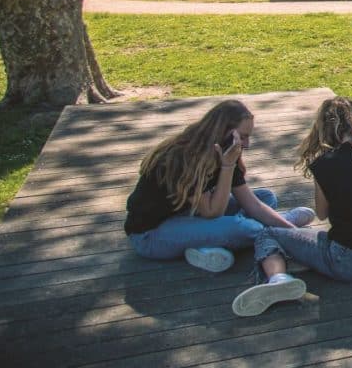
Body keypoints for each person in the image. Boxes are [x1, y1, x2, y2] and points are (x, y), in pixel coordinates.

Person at [231, 97, 352, 317]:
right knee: (309, 236)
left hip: (350, 262)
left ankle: (278, 279)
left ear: (325, 129)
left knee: (267, 234)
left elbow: (322, 212)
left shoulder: (326, 163)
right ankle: (293, 239)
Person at [124, 100, 315, 273]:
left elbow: (253, 205)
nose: (246, 144)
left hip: (188, 214)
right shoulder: (185, 157)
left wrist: (296, 233)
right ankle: (273, 229)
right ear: (224, 132)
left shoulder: (226, 150)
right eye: (243, 136)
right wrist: (227, 166)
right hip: (151, 235)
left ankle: (208, 247)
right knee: (246, 228)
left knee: (266, 197)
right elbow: (212, 212)